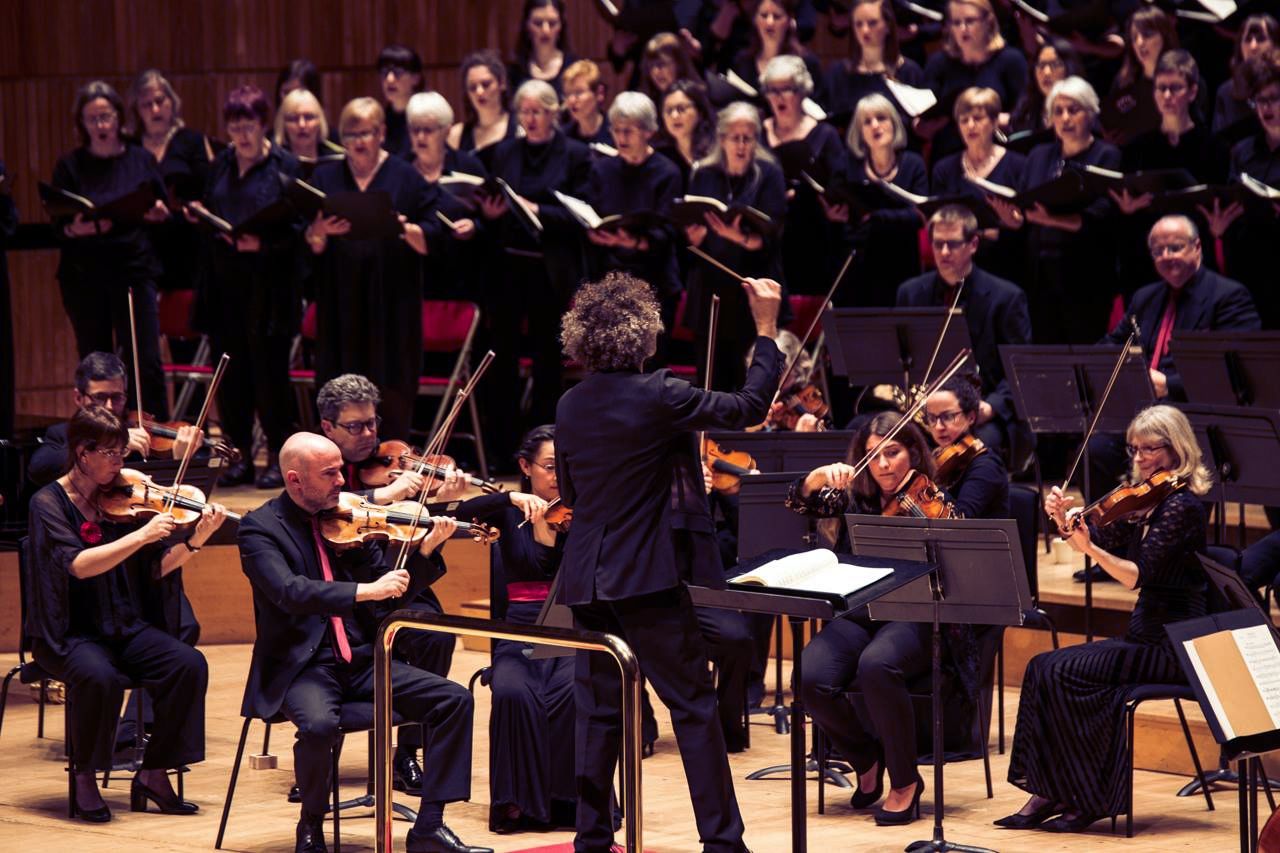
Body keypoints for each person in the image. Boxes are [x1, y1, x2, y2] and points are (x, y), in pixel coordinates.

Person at [556, 270, 784, 852]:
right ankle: (723, 843)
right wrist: (765, 328)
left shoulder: (570, 402)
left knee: (600, 713)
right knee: (693, 709)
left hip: (586, 577)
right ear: (644, 335)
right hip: (645, 578)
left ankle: (591, 839)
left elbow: (572, 494)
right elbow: (749, 406)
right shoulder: (660, 392)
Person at [237, 431, 490, 853]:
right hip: (303, 666)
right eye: (330, 473)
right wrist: (363, 591)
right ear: (296, 480)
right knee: (319, 725)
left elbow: (385, 601)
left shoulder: (351, 519)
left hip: (360, 661)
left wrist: (425, 551)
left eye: (341, 469)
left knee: (453, 700)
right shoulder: (259, 529)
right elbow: (290, 591)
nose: (342, 480)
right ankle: (311, 825)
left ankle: (429, 827)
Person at [999, 405, 1212, 833]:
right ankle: (1053, 789)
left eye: (1149, 450)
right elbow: (1094, 532)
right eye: (1134, 449)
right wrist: (1063, 518)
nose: (1138, 459)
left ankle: (1083, 795)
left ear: (1176, 450)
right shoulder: (1144, 502)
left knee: (1070, 675)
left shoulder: (1182, 507)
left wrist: (1090, 552)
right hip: (1143, 637)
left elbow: (1136, 577)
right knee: (1044, 667)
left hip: (1173, 646)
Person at [27, 407, 222, 823]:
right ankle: (84, 777)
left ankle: (153, 771)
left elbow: (154, 568)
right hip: (70, 632)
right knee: (99, 676)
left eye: (122, 453)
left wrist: (195, 542)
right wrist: (141, 535)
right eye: (113, 454)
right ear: (83, 453)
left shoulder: (123, 498)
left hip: (123, 625)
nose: (122, 463)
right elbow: (78, 565)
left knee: (187, 664)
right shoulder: (48, 503)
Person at [786, 412, 972, 826]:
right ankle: (865, 758)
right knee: (809, 677)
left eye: (893, 453)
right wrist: (817, 477)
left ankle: (905, 780)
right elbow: (797, 502)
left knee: (877, 664)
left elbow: (962, 558)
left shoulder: (935, 497)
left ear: (914, 453)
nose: (884, 466)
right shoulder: (854, 495)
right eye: (873, 456)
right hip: (861, 610)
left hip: (918, 615)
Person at [314, 373, 467, 798]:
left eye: (372, 423)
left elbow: (408, 532)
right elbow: (320, 511)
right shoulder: (315, 463)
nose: (369, 435)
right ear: (328, 426)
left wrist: (436, 502)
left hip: (397, 576)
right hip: (341, 589)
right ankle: (321, 757)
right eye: (355, 426)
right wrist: (384, 495)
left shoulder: (390, 465)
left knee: (434, 633)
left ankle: (407, 752)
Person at [449, 424, 577, 833]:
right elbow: (460, 515)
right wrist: (505, 497)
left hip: (571, 627)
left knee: (571, 692)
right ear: (526, 466)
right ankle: (517, 804)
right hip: (518, 630)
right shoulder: (505, 512)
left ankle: (567, 803)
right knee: (512, 691)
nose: (559, 476)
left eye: (567, 466)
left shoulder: (582, 509)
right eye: (551, 467)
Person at [1084, 215, 1260, 507]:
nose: (1167, 257)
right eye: (1158, 251)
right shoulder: (1145, 297)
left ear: (1197, 247)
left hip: (1193, 418)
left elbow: (1236, 374)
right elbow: (1111, 347)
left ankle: (1177, 540)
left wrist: (1169, 385)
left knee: (1189, 461)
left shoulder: (1229, 297)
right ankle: (1113, 540)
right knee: (1097, 451)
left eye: (1176, 247)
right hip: (1143, 415)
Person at [190, 85, 301, 489]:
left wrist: (263, 244)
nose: (241, 131)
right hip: (225, 284)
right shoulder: (219, 165)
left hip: (269, 287)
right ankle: (236, 458)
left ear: (263, 123)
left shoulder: (285, 166)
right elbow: (211, 207)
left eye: (248, 123)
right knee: (231, 376)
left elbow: (300, 231)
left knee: (271, 379)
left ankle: (278, 457)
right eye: (234, 123)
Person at [304, 97, 432, 441]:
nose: (359, 142)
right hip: (341, 300)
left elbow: (430, 240)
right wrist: (320, 232)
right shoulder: (325, 175)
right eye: (351, 135)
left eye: (366, 133)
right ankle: (338, 463)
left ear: (382, 134)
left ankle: (389, 459)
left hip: (392, 300)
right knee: (337, 379)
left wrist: (403, 227)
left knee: (392, 381)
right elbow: (312, 243)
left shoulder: (407, 177)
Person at [481, 79, 592, 453]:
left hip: (551, 273)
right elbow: (495, 199)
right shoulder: (505, 151)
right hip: (508, 269)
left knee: (547, 360)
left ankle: (545, 448)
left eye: (538, 112)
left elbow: (582, 215)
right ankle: (502, 448)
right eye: (524, 111)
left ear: (553, 112)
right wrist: (492, 213)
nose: (530, 119)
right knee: (503, 358)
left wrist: (538, 210)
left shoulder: (575, 154)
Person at [52, 80, 171, 419]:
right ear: (82, 124)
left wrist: (157, 213)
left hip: (133, 270)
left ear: (119, 117)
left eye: (106, 117)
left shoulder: (140, 159)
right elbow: (58, 221)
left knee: (144, 360)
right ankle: (98, 443)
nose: (101, 126)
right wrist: (75, 228)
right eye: (92, 119)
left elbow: (160, 206)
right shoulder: (70, 165)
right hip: (85, 275)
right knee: (95, 364)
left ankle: (156, 440)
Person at [896, 205, 1032, 468]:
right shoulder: (910, 293)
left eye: (953, 244)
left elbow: (1019, 371)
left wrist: (990, 407)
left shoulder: (1007, 298)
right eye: (938, 244)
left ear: (973, 244)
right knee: (876, 436)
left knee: (975, 453)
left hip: (983, 413)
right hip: (927, 412)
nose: (944, 252)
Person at [989, 76, 1121, 344]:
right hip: (1040, 273)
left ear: (1090, 114)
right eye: (1058, 111)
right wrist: (1012, 220)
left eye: (1074, 110)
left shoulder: (1106, 155)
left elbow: (1101, 216)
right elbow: (1026, 207)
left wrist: (1051, 219)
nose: (1065, 118)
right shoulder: (1039, 155)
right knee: (1046, 352)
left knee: (1085, 351)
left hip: (1085, 273)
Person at [686, 101, 789, 391]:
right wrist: (693, 238)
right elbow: (693, 225)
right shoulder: (704, 174)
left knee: (751, 381)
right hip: (711, 292)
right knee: (712, 383)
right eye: (735, 138)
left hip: (753, 289)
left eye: (749, 138)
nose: (742, 145)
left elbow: (774, 233)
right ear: (722, 140)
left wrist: (739, 237)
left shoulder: (769, 173)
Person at [585, 91, 683, 334]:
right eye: (616, 130)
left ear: (648, 131)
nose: (620, 137)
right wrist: (593, 233)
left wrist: (634, 242)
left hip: (654, 281)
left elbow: (669, 231)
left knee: (651, 361)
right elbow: (591, 215)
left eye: (628, 130)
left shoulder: (667, 172)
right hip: (611, 279)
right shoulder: (602, 169)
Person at [29, 352, 202, 488]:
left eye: (117, 397)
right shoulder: (61, 434)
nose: (110, 406)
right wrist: (106, 445)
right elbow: (38, 470)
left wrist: (179, 461)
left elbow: (166, 497)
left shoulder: (141, 437)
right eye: (100, 397)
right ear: (78, 398)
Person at [825, 92, 927, 307]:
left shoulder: (912, 164)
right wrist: (834, 215)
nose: (875, 126)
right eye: (867, 122)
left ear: (894, 123)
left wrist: (875, 216)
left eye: (881, 118)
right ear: (860, 132)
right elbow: (838, 207)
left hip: (900, 259)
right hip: (859, 261)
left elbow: (920, 215)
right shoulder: (847, 164)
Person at [761, 54, 846, 294]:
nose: (778, 97)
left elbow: (838, 184)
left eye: (786, 89)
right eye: (771, 90)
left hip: (813, 234)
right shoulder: (758, 133)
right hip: (771, 237)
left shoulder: (825, 134)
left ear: (801, 92)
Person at [125, 69, 212, 294]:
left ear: (171, 103)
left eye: (159, 101)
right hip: (142, 248)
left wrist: (197, 208)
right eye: (146, 104)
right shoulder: (129, 147)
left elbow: (208, 189)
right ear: (137, 110)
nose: (155, 109)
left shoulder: (191, 141)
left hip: (186, 244)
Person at [928, 86, 1026, 284]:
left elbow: (1028, 223)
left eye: (978, 119)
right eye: (964, 120)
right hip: (959, 268)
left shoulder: (1019, 164)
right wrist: (985, 232)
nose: (970, 126)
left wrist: (1014, 223)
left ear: (994, 122)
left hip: (1008, 265)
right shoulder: (944, 169)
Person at [1215, 47, 1280, 328]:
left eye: (1274, 99)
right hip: (1248, 267)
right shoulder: (1242, 151)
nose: (1266, 108)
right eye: (1259, 101)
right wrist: (1220, 226)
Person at [406, 91, 486, 302]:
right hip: (411, 277)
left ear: (446, 131)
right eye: (415, 130)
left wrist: (474, 226)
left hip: (459, 277)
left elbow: (489, 218)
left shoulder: (468, 166)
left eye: (428, 130)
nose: (420, 137)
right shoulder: (400, 169)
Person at [921, 0, 1028, 157]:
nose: (963, 28)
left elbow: (1026, 116)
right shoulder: (938, 63)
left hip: (998, 154)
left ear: (989, 21)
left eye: (970, 21)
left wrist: (993, 119)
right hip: (948, 157)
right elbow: (924, 121)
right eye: (956, 23)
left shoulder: (1011, 60)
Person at [824, 0, 926, 127]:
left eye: (872, 23)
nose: (865, 30)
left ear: (888, 26)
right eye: (858, 24)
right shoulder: (838, 73)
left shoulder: (910, 72)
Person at [922, 374, 1009, 519]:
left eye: (948, 417)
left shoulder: (986, 466)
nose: (938, 427)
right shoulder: (937, 456)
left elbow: (961, 520)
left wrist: (927, 485)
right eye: (932, 418)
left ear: (971, 417)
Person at [729, 0, 825, 104]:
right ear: (755, 20)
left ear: (789, 21)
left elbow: (818, 107)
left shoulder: (807, 63)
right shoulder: (743, 61)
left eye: (777, 16)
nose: (770, 22)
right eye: (764, 15)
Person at [1213, 14, 1277, 141]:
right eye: (1247, 40)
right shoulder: (1226, 92)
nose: (1253, 47)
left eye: (1261, 39)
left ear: (1276, 44)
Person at [447, 50, 517, 161]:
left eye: (486, 84)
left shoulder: (520, 128)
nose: (479, 92)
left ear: (502, 83)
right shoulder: (456, 135)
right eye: (472, 87)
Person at [654, 78, 719, 188]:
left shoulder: (716, 151)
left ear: (700, 112)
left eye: (681, 109)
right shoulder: (661, 156)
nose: (674, 116)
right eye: (668, 110)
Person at [1008, 38, 1080, 136]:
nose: (1046, 72)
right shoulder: (1028, 109)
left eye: (1054, 65)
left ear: (1069, 68)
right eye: (1041, 65)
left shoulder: (1082, 110)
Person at [509, 0, 576, 95]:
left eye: (552, 23)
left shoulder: (574, 68)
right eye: (538, 23)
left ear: (561, 26)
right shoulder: (515, 72)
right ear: (527, 26)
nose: (545, 30)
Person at [274, 88, 344, 170]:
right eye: (293, 118)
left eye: (309, 117)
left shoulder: (339, 161)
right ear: (283, 124)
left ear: (320, 122)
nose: (302, 125)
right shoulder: (273, 163)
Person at [377, 43, 426, 159]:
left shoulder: (427, 120)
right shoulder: (379, 120)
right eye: (384, 72)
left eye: (397, 72)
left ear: (416, 78)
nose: (389, 79)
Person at [560, 59, 612, 146]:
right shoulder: (563, 138)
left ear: (599, 93)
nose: (571, 100)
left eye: (579, 92)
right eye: (568, 94)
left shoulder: (616, 134)